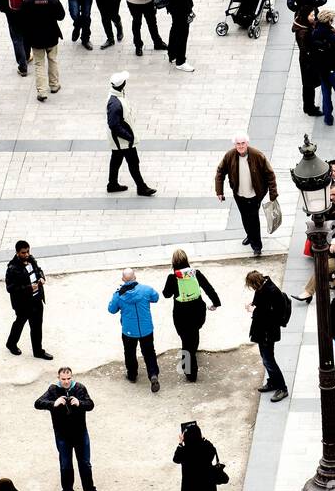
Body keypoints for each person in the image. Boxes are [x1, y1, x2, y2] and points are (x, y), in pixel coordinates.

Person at [35, 366, 102, 491]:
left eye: (68, 379)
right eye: (63, 379)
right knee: (65, 464)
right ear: (58, 378)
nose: (66, 382)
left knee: (85, 463)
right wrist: (54, 403)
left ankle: (90, 490)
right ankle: (67, 490)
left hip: (80, 433)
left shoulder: (79, 388)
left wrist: (80, 403)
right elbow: (38, 403)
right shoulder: (53, 390)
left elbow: (90, 404)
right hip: (62, 435)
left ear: (72, 377)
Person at [215, 134, 278, 257]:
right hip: (239, 194)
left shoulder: (257, 155)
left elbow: (270, 174)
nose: (241, 146)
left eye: (243, 143)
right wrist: (219, 191)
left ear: (247, 143)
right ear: (235, 145)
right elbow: (220, 172)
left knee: (253, 219)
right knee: (245, 216)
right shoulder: (229, 156)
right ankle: (250, 235)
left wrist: (273, 194)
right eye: (238, 143)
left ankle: (257, 246)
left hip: (255, 195)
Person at [162, 250, 219, 383]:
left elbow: (166, 294)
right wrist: (216, 303)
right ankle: (191, 354)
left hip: (181, 314)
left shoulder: (172, 278)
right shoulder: (195, 273)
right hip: (197, 312)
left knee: (186, 341)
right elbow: (208, 288)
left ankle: (190, 371)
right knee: (193, 335)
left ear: (173, 262)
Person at [108, 267, 161, 390]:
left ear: (123, 279)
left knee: (130, 353)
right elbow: (156, 297)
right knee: (149, 353)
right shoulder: (146, 290)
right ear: (135, 277)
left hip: (128, 331)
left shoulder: (119, 294)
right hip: (146, 328)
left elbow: (111, 310)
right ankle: (153, 374)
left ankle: (132, 375)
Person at [106, 72, 157, 197]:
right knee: (133, 162)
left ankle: (112, 184)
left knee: (116, 160)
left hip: (120, 140)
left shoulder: (115, 96)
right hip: (123, 140)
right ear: (123, 84)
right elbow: (114, 125)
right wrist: (129, 137)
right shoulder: (115, 103)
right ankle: (141, 187)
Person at [245, 269, 289, 402]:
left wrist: (255, 310)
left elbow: (273, 315)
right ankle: (273, 382)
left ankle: (282, 387)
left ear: (255, 283)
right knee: (266, 358)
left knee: (269, 360)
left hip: (267, 332)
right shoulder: (262, 287)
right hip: (261, 331)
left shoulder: (272, 291)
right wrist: (253, 305)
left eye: (252, 286)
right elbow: (261, 304)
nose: (252, 288)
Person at [4, 239, 51, 358]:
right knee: (20, 323)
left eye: (28, 252)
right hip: (23, 304)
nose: (26, 254)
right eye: (23, 252)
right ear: (17, 252)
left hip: (37, 299)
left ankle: (38, 351)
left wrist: (41, 277)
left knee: (37, 327)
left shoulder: (31, 260)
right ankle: (11, 344)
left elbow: (39, 270)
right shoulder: (12, 268)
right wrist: (29, 287)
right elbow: (10, 288)